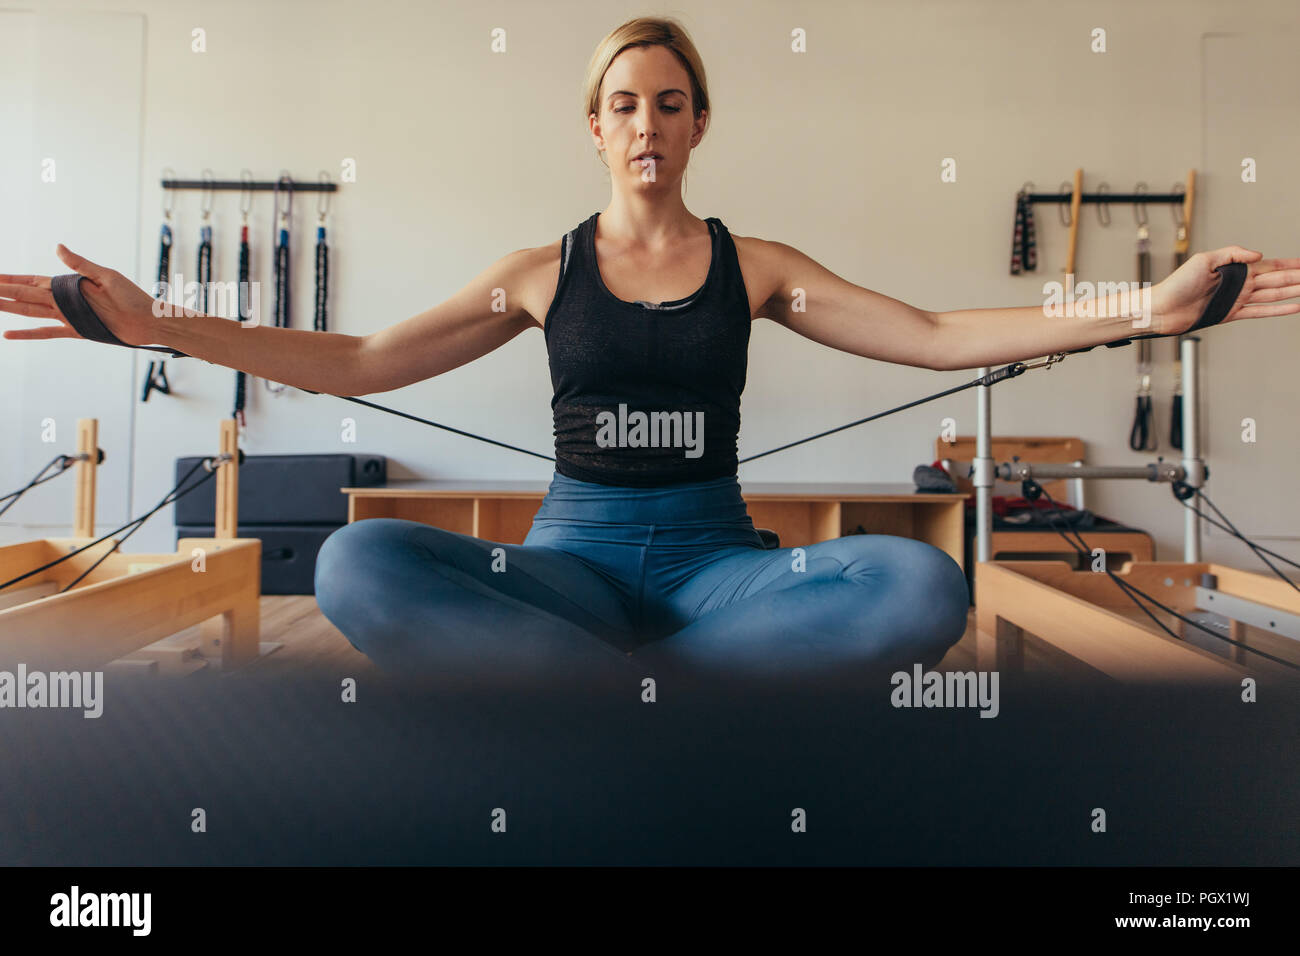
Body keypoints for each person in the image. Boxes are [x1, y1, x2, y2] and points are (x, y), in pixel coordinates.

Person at [2, 17, 1296, 692]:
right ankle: (665, 698)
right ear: (595, 125)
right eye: (626, 103)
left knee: (919, 589)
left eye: (670, 103)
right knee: (356, 558)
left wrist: (1141, 310)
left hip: (723, 571)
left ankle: (614, 698)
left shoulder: (761, 266)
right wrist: (164, 321)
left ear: (699, 122)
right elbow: (352, 359)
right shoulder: (534, 272)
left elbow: (944, 334)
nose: (648, 124)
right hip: (563, 567)